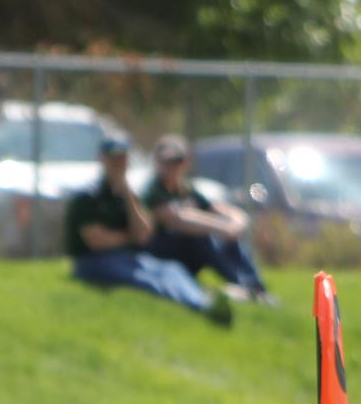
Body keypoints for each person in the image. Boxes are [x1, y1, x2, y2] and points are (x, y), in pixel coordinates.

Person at [66, 137, 233, 325]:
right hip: (93, 261)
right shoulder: (88, 196)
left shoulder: (126, 195)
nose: (118, 164)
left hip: (127, 256)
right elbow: (96, 240)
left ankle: (204, 300)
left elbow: (144, 234)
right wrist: (130, 238)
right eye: (113, 159)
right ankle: (198, 306)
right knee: (144, 279)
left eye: (122, 159)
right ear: (102, 159)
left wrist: (128, 196)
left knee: (171, 269)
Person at [142, 134, 270, 303]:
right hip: (164, 256)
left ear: (186, 163)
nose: (173, 167)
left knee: (230, 238)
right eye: (167, 162)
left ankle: (254, 284)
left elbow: (221, 210)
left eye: (177, 161)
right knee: (204, 237)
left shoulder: (186, 190)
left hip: (188, 254)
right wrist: (221, 227)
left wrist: (236, 223)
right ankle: (242, 283)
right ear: (158, 162)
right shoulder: (154, 191)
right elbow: (177, 218)